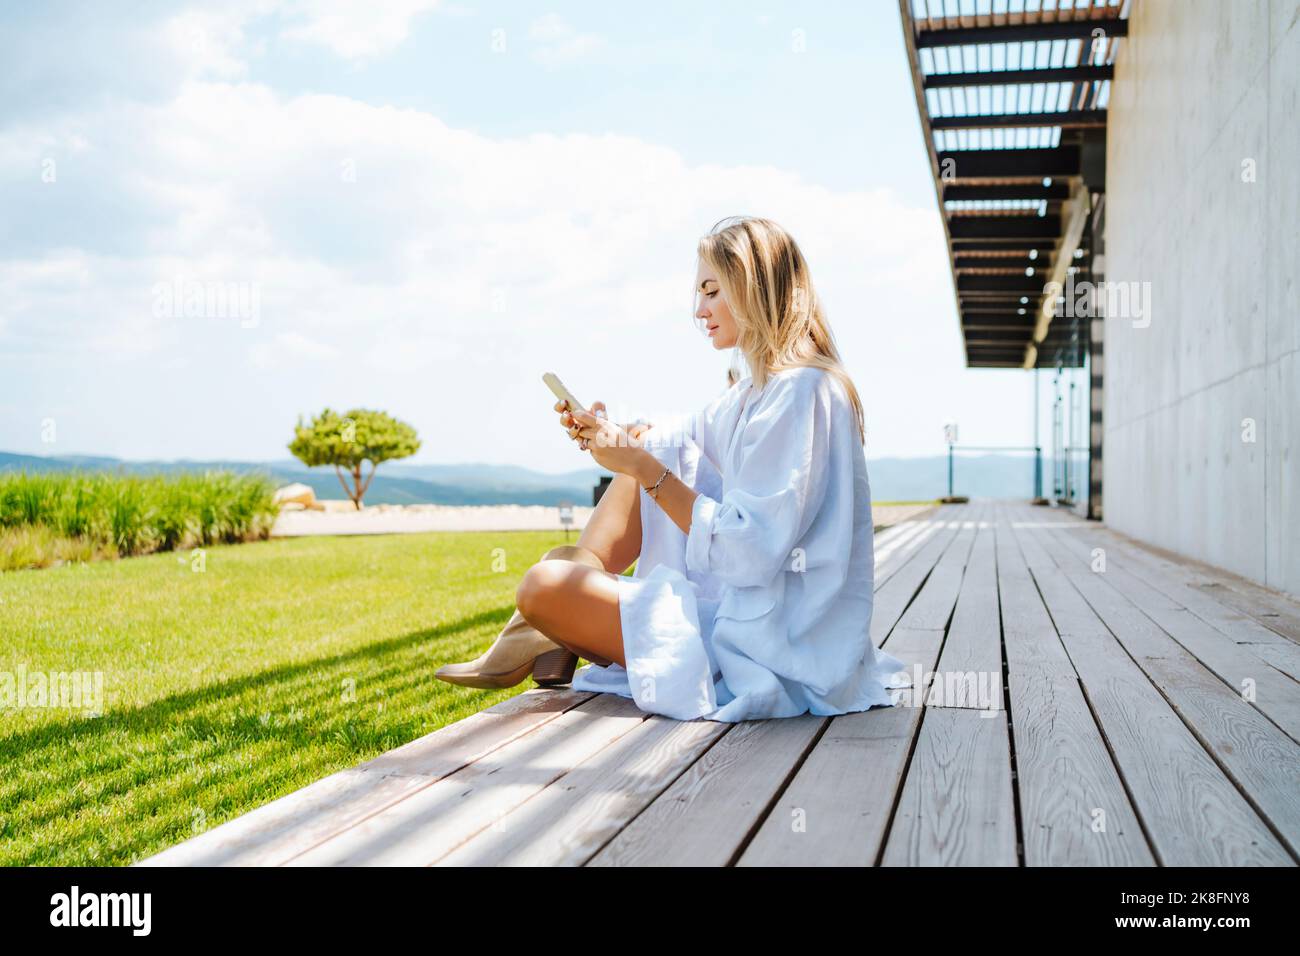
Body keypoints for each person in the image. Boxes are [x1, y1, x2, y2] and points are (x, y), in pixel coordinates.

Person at [435, 215, 910, 722]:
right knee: (649, 448)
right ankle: (546, 626)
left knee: (543, 585)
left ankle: (546, 626)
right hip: (749, 621)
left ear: (754, 289)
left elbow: (748, 552)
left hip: (774, 648)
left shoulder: (802, 392)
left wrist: (643, 466)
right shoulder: (754, 393)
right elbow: (676, 437)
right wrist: (613, 438)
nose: (698, 310)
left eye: (711, 291)